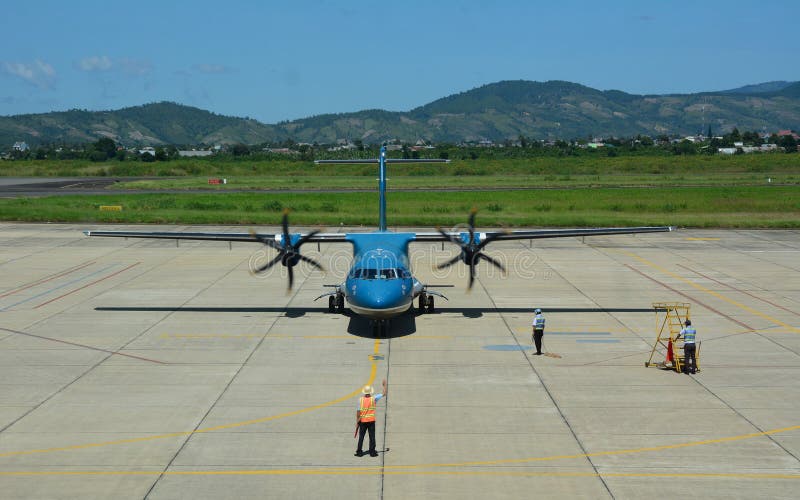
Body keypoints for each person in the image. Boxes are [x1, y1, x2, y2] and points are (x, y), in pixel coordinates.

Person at [355, 379, 387, 457]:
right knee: (372, 437)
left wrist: (357, 422)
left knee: (361, 437)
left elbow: (358, 412)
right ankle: (372, 452)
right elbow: (384, 394)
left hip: (363, 421)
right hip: (371, 421)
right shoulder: (374, 398)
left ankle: (359, 452)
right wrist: (384, 385)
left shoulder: (360, 400)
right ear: (370, 392)